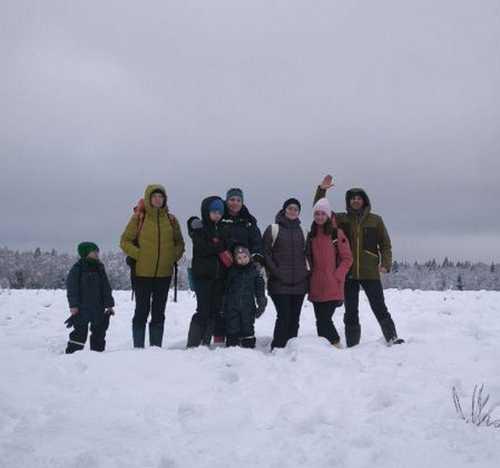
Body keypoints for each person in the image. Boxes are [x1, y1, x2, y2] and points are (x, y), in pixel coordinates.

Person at [315, 175, 404, 347]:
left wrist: (385, 263)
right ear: (348, 202)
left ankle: (392, 337)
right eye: (352, 199)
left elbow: (385, 244)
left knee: (379, 307)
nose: (356, 201)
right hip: (348, 273)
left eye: (358, 198)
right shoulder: (341, 219)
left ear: (364, 201)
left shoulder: (375, 220)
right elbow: (321, 210)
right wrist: (322, 190)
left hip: (370, 272)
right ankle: (352, 344)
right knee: (350, 311)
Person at [120, 184, 185, 348]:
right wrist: (139, 255)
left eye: (161, 197)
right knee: (141, 311)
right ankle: (138, 349)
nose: (158, 199)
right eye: (155, 196)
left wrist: (172, 256)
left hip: (164, 274)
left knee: (158, 313)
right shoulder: (139, 218)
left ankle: (156, 349)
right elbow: (124, 241)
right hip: (142, 273)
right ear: (149, 198)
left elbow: (180, 243)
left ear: (165, 199)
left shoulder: (171, 220)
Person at [213, 188, 263, 344]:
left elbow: (256, 242)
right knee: (223, 302)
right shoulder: (220, 218)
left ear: (242, 202)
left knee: (243, 302)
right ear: (226, 201)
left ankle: (244, 335)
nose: (235, 203)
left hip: (243, 267)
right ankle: (220, 336)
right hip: (222, 267)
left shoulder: (248, 221)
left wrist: (256, 260)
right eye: (232, 199)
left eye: (238, 200)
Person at [263, 198, 309, 349]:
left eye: (296, 209)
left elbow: (308, 255)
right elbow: (266, 254)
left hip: (299, 283)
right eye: (290, 208)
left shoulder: (303, 231)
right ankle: (278, 347)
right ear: (284, 210)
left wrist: (305, 274)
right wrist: (276, 272)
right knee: (283, 316)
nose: (293, 211)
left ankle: (291, 348)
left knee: (294, 318)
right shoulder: (273, 229)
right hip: (279, 283)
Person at [306, 198, 353, 347]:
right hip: (316, 285)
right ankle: (325, 351)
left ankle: (336, 345)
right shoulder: (311, 234)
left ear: (328, 215)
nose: (319, 217)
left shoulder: (336, 233)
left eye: (322, 214)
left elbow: (347, 259)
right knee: (320, 321)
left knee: (325, 319)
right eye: (317, 214)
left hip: (332, 285)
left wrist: (337, 276)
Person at [186, 196, 231, 347]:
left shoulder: (223, 228)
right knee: (202, 310)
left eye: (220, 212)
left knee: (214, 311)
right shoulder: (200, 228)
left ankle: (205, 343)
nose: (217, 215)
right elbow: (202, 248)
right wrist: (219, 247)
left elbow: (226, 247)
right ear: (207, 211)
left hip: (219, 278)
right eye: (214, 211)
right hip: (203, 277)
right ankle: (193, 344)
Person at [65, 242, 115, 354]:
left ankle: (97, 354)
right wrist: (73, 305)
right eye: (94, 252)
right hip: (82, 308)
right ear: (86, 253)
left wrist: (109, 304)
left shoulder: (100, 268)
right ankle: (72, 355)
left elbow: (106, 287)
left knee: (99, 332)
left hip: (98, 307)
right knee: (79, 332)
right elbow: (72, 289)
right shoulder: (77, 268)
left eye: (98, 252)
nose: (97, 254)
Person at [224, 246, 267, 348]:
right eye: (239, 258)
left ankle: (248, 347)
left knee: (247, 327)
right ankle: (232, 347)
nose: (242, 260)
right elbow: (226, 290)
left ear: (249, 257)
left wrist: (261, 305)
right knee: (232, 327)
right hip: (232, 306)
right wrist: (224, 306)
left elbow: (260, 291)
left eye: (244, 257)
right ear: (235, 259)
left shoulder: (254, 272)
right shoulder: (232, 272)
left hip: (248, 306)